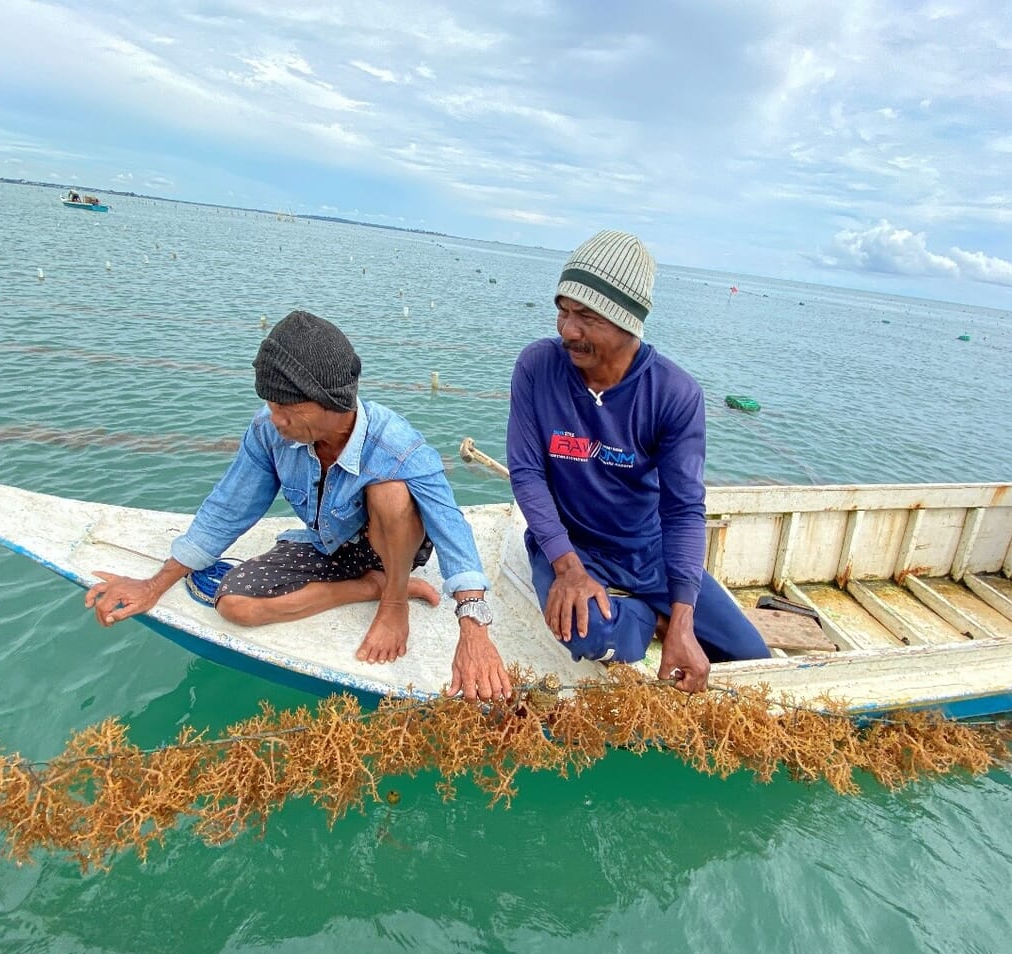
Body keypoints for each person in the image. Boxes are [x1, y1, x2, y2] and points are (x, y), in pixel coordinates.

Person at [85, 310, 510, 701]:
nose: (275, 419)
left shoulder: (398, 446)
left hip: (391, 544)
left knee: (391, 491)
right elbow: (227, 509)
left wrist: (474, 632)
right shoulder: (269, 432)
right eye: (271, 405)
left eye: (287, 408)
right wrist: (154, 584)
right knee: (235, 606)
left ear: (333, 402)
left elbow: (453, 533)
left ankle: (394, 596)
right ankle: (369, 586)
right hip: (323, 543)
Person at [506, 230, 771, 693]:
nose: (568, 330)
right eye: (564, 310)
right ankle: (648, 618)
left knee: (754, 659)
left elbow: (683, 509)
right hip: (569, 545)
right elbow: (527, 473)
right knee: (585, 632)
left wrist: (685, 615)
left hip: (646, 551)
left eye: (586, 316)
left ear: (628, 322)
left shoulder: (674, 393)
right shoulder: (537, 366)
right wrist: (568, 568)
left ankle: (665, 614)